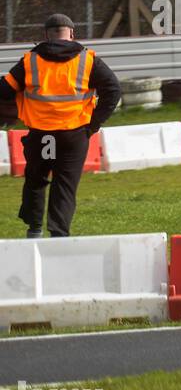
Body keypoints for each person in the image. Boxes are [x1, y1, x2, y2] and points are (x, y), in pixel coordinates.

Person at [0, 13, 121, 238]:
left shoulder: (30, 60)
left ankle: (34, 229)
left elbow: (5, 89)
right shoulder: (88, 60)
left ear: (46, 35)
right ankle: (58, 234)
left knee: (35, 181)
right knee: (64, 186)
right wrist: (93, 124)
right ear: (72, 34)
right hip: (74, 134)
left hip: (40, 134)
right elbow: (113, 90)